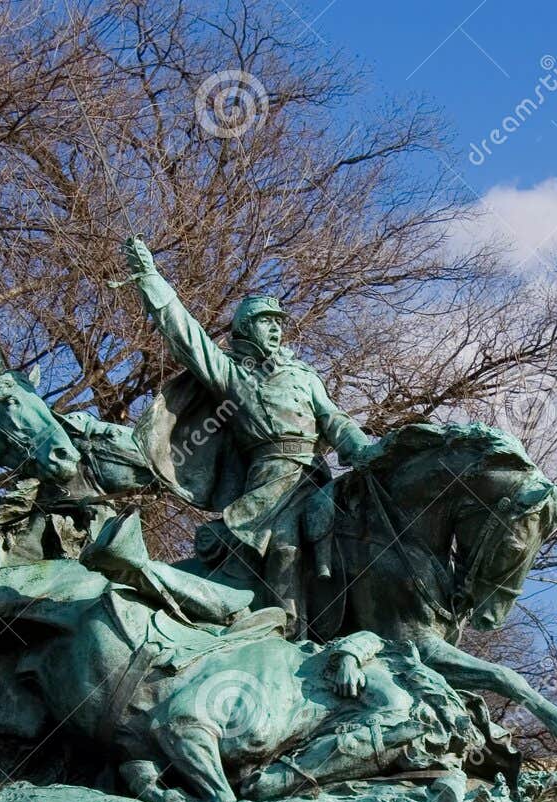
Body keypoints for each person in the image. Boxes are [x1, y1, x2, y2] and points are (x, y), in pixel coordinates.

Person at [122, 236, 378, 632]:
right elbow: (187, 336)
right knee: (284, 547)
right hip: (268, 481)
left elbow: (334, 419)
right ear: (245, 326)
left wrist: (361, 448)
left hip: (316, 475)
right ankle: (286, 631)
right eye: (265, 322)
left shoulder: (303, 375)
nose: (275, 329)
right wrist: (150, 277)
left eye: (279, 323)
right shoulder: (233, 375)